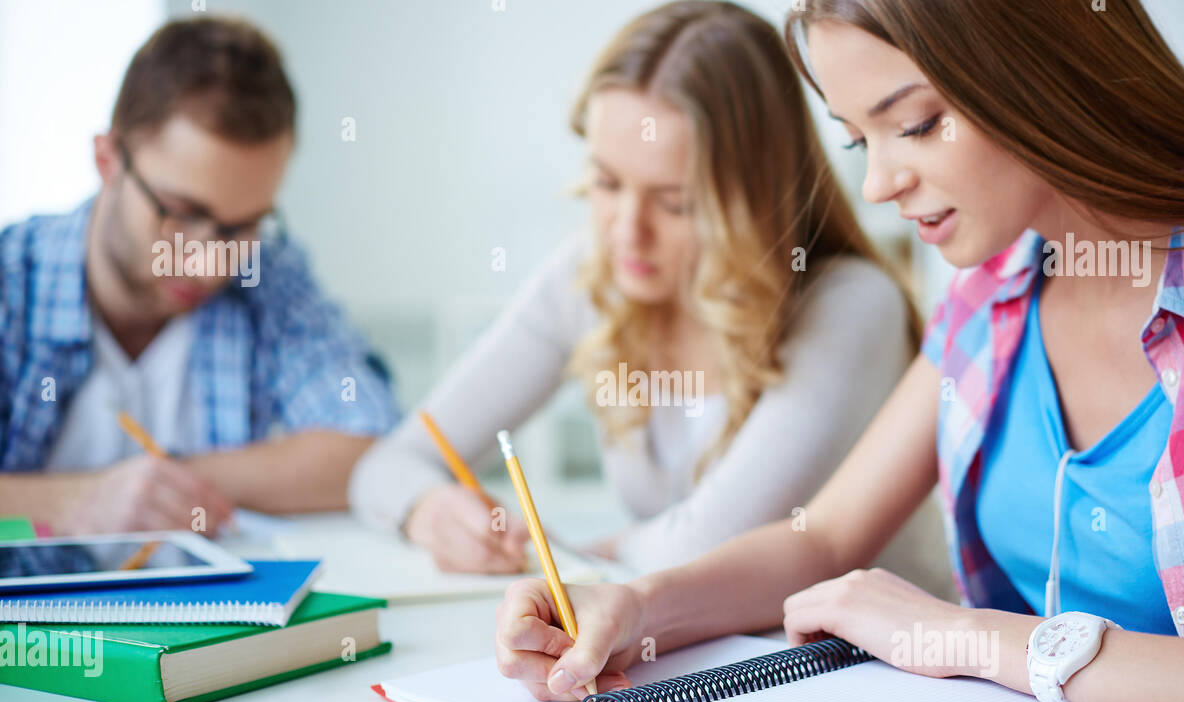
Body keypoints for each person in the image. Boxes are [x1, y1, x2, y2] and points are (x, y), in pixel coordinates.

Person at [494, 0, 1184, 702]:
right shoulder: (993, 287)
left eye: (915, 124)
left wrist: (981, 640)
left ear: (1045, 67)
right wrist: (637, 607)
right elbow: (825, 538)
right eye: (857, 141)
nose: (878, 183)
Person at [349, 1, 946, 588]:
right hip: (696, 657)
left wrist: (577, 553)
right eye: (606, 182)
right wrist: (426, 510)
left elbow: (709, 544)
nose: (626, 230)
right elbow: (383, 467)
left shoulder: (852, 304)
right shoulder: (590, 275)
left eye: (673, 202)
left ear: (753, 197)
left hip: (860, 669)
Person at [0, 17, 399, 535]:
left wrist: (167, 486)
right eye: (180, 212)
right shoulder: (13, 283)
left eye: (242, 225)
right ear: (108, 160)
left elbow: (369, 445)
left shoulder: (266, 272)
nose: (209, 262)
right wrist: (78, 501)